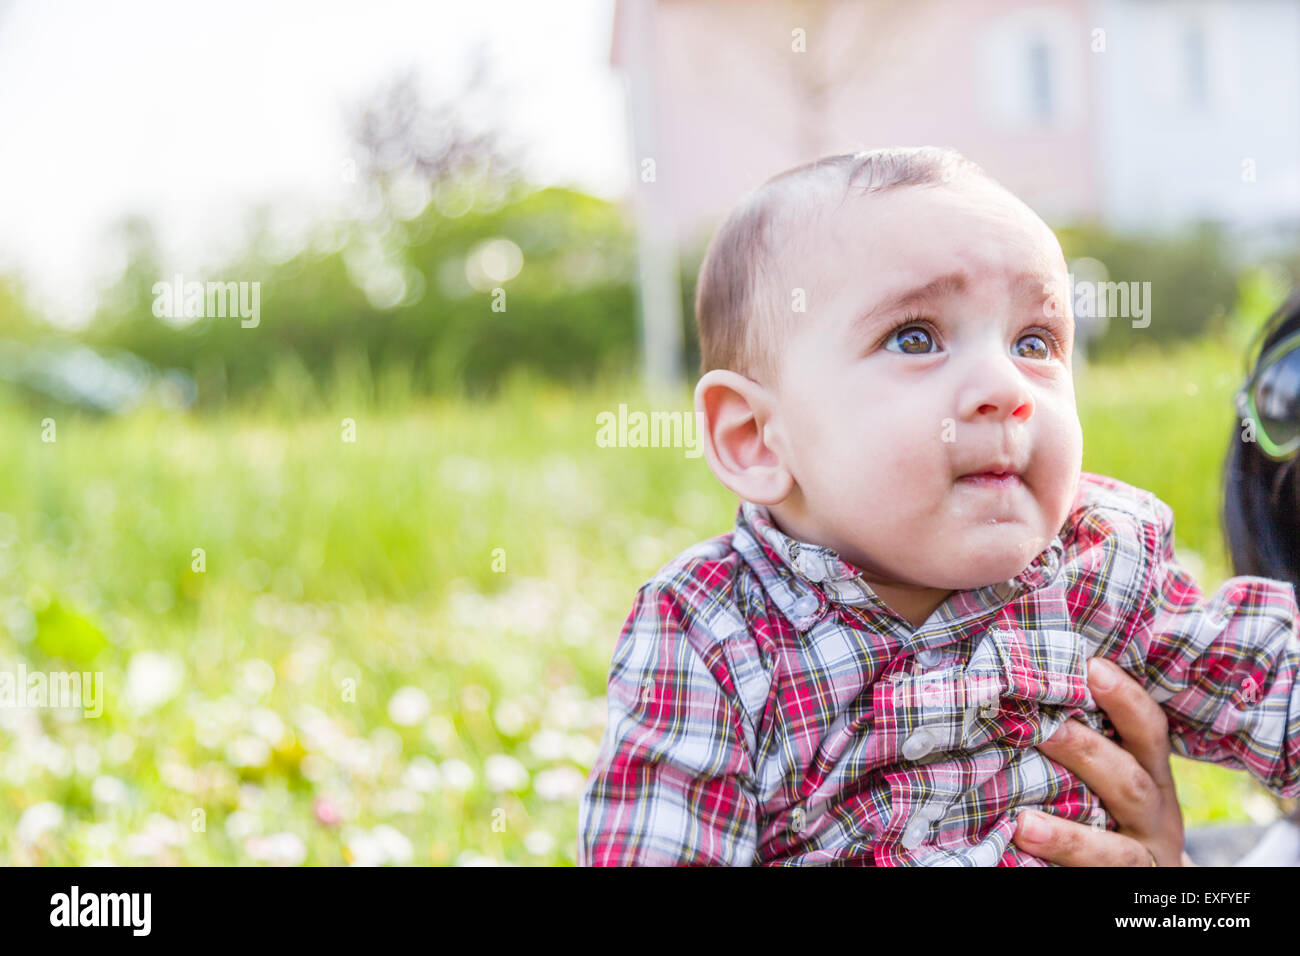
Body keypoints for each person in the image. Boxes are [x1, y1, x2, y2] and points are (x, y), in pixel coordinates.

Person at [579, 146, 1300, 865]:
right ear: (756, 439)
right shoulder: (715, 632)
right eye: (915, 337)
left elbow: (1264, 685)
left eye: (1035, 341)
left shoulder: (1101, 561)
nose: (1006, 387)